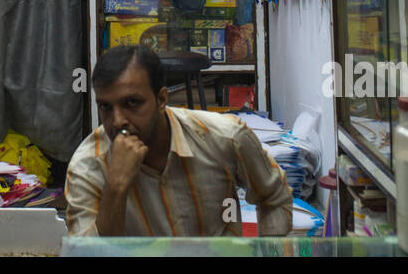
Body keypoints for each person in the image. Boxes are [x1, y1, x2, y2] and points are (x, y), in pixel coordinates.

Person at [65, 45, 293, 237]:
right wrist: (115, 187)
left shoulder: (225, 137)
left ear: (162, 99)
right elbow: (87, 252)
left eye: (132, 103)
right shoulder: (87, 166)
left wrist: (269, 249)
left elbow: (274, 195)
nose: (117, 121)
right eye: (106, 107)